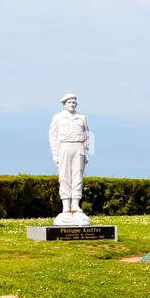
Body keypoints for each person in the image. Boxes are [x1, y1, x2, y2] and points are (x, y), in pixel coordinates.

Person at [49, 93, 90, 224]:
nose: (72, 105)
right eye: (69, 102)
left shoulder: (82, 118)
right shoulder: (58, 117)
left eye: (74, 103)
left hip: (79, 148)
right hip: (64, 148)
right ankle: (66, 206)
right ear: (64, 104)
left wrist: (87, 152)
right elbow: (53, 136)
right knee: (64, 176)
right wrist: (55, 154)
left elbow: (88, 135)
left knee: (77, 176)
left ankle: (75, 204)